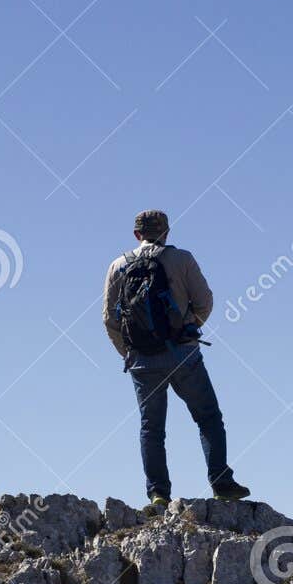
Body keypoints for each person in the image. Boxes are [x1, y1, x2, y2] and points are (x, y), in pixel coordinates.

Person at [103, 210, 250, 510]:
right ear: (167, 232)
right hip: (183, 354)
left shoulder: (118, 266)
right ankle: (221, 483)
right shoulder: (182, 259)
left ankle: (158, 494)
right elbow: (205, 302)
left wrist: (129, 352)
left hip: (142, 361)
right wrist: (186, 329)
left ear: (136, 235)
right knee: (208, 417)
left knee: (152, 429)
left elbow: (109, 319)